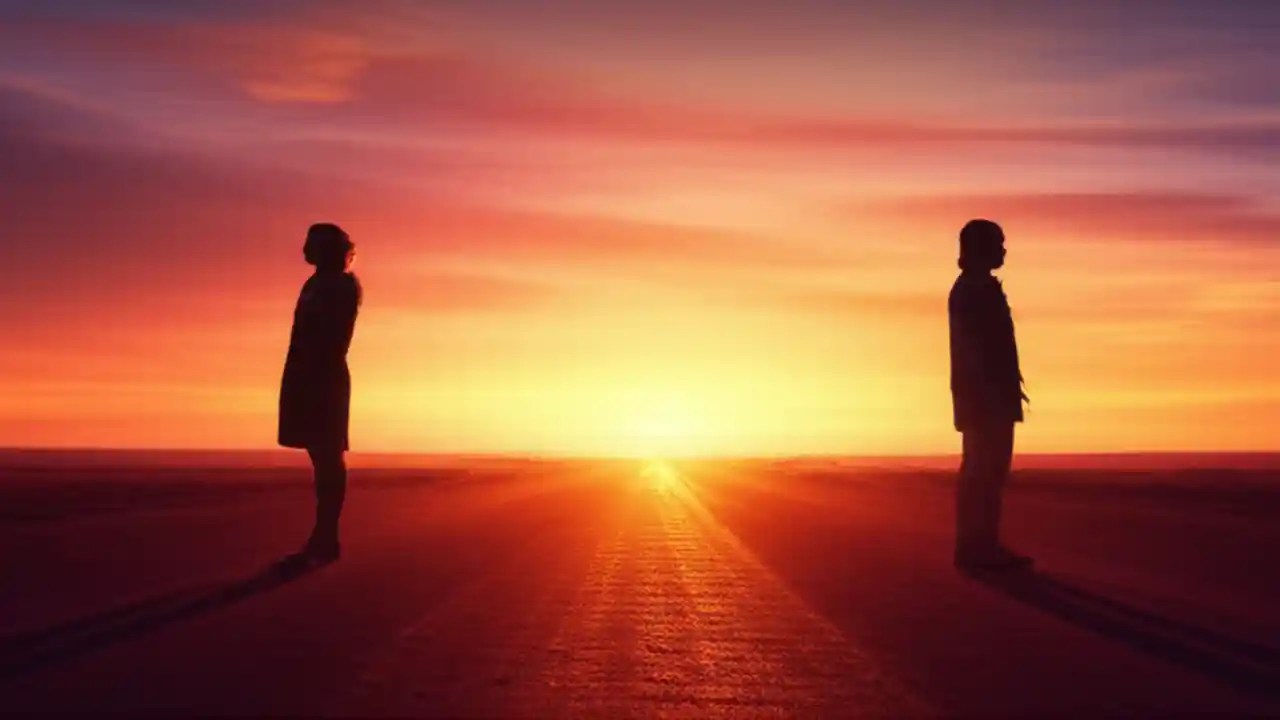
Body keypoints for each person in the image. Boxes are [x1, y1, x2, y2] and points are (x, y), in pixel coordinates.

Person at [949, 219, 1031, 572]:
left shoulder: (978, 288)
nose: (1003, 250)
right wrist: (990, 395)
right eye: (998, 243)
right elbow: (978, 351)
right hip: (985, 401)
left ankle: (981, 546)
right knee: (983, 473)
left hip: (989, 399)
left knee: (988, 474)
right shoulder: (972, 290)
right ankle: (976, 548)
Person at [278, 223, 361, 566]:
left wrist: (313, 369)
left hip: (324, 376)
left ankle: (327, 535)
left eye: (311, 243)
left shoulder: (341, 285)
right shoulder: (314, 284)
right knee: (319, 455)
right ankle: (323, 533)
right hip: (304, 375)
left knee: (328, 456)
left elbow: (333, 336)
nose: (304, 249)